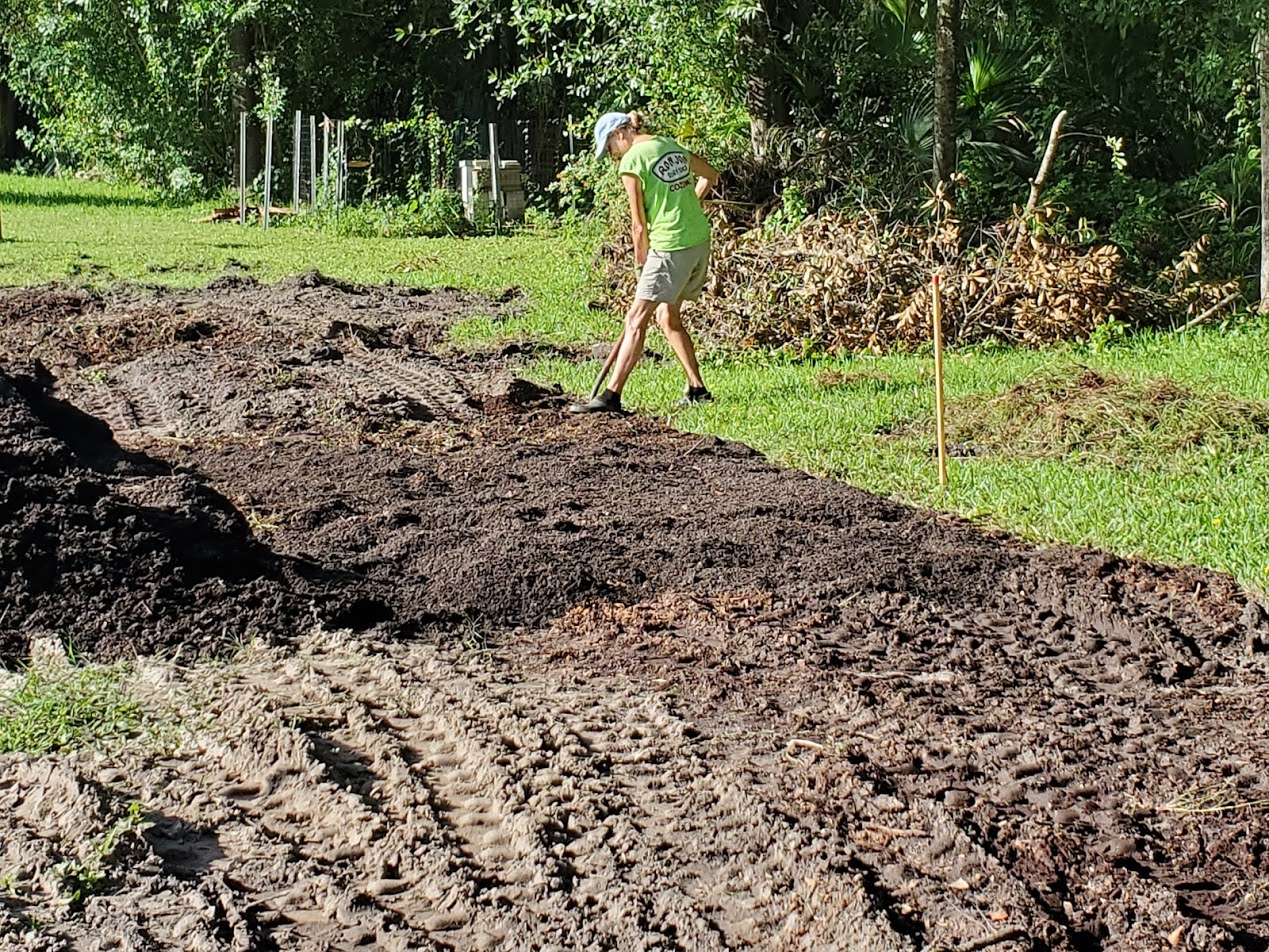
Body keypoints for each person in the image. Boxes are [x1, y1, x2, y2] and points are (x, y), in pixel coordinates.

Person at [569, 110, 720, 414]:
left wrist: (642, 265)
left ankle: (611, 397)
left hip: (670, 246)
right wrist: (688, 205)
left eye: (610, 147)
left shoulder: (632, 161)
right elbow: (711, 175)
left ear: (620, 133)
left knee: (635, 319)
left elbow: (638, 226)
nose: (613, 155)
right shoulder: (669, 145)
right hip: (698, 241)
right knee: (667, 316)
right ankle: (697, 389)